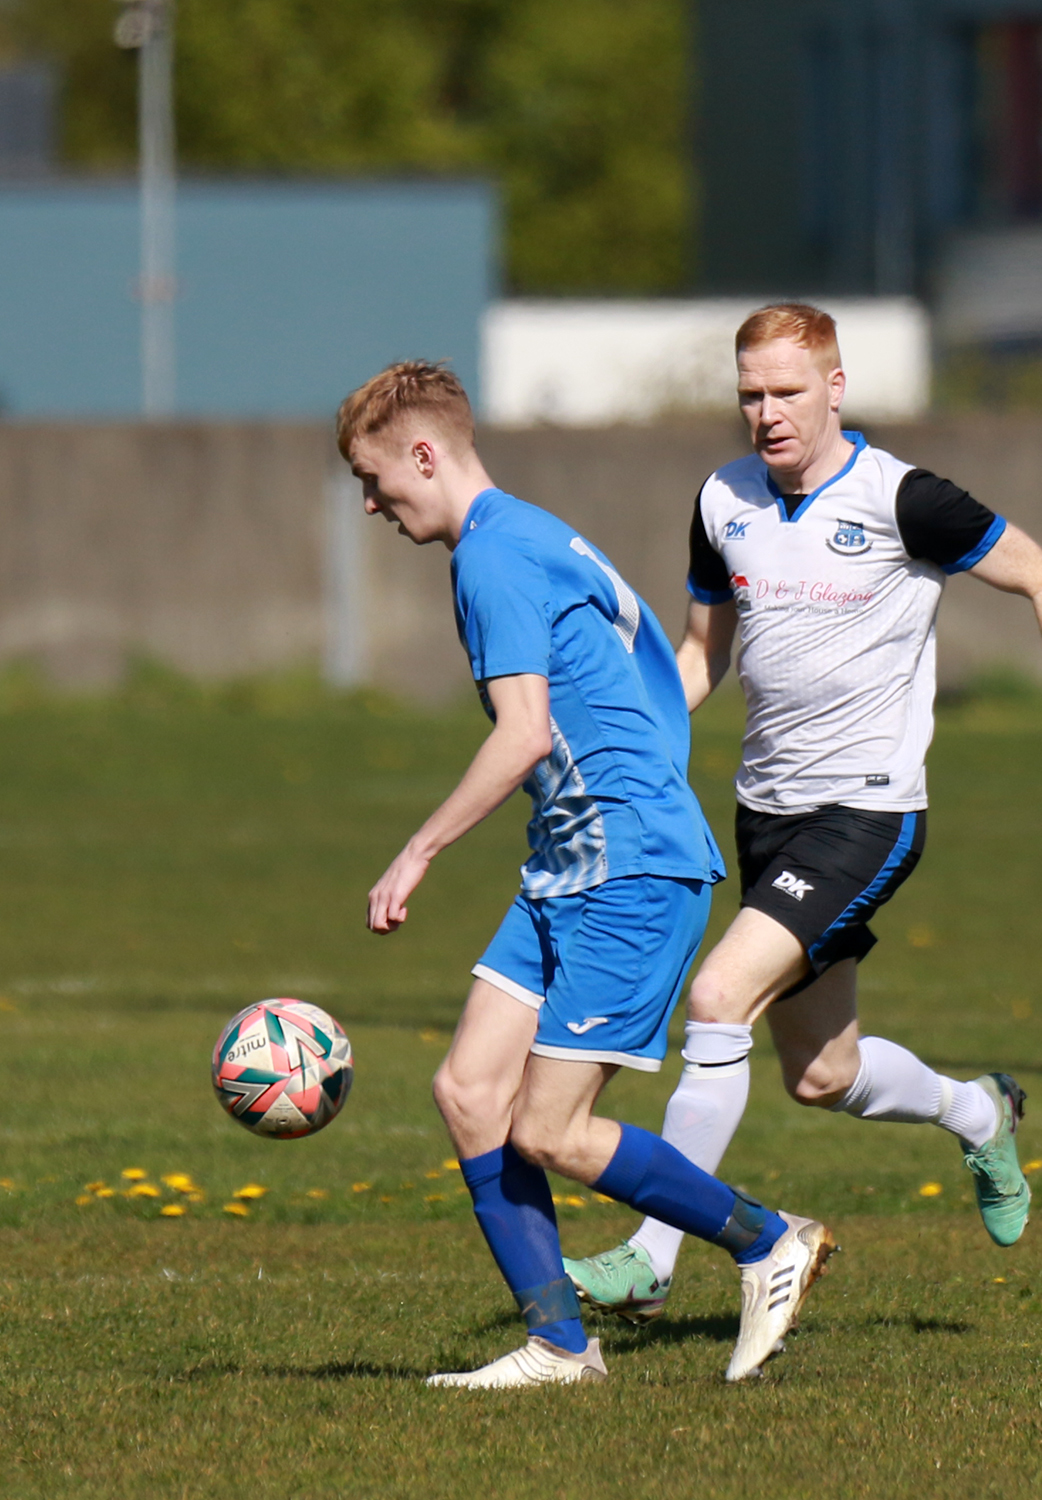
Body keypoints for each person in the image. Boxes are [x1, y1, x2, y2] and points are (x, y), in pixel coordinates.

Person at [567, 303, 1042, 1324]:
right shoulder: (721, 498)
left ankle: (654, 1253)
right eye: (750, 394)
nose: (766, 414)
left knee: (718, 998)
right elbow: (704, 654)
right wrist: (622, 732)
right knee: (821, 1074)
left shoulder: (902, 498)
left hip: (866, 813)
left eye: (786, 392)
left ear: (834, 387)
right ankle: (978, 1112)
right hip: (765, 814)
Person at [337, 358, 838, 1388]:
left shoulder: (492, 560)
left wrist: (418, 849)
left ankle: (765, 1238)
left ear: (424, 454)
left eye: (374, 477)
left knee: (548, 1129)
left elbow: (522, 736)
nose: (372, 501)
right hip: (572, 864)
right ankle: (561, 1347)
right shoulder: (531, 530)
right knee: (470, 1091)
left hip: (630, 870)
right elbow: (647, 668)